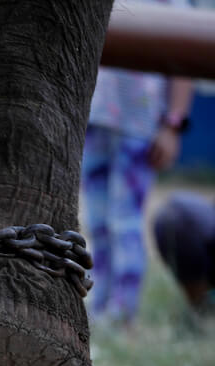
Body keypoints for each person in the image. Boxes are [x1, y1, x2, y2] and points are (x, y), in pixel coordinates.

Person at [81, 0, 194, 326]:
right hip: (97, 118)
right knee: (97, 222)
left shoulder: (175, 4)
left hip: (140, 126)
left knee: (124, 221)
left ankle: (123, 311)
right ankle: (97, 304)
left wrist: (172, 125)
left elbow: (184, 62)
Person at [152, 191, 215, 312]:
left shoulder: (204, 210)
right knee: (199, 300)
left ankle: (196, 312)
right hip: (187, 228)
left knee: (193, 286)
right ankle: (199, 315)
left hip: (161, 219)